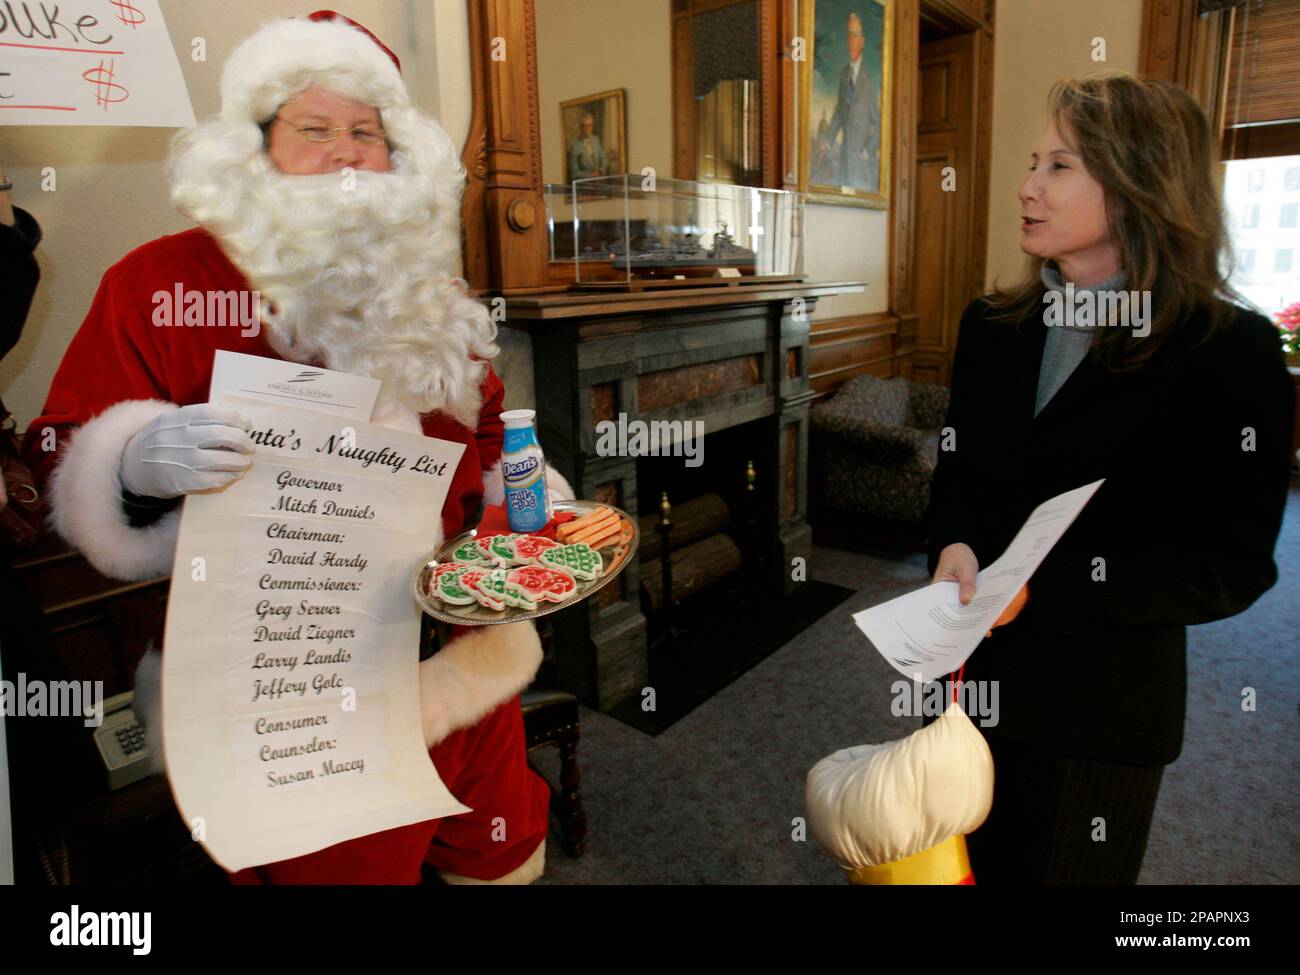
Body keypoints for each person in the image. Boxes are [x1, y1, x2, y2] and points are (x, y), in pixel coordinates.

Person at [21, 11, 565, 884]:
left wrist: (537, 510)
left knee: (501, 851)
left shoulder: (432, 291)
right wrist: (130, 464)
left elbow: (493, 436)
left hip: (465, 657)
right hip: (296, 705)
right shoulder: (157, 283)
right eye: (314, 129)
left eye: (367, 132)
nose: (347, 153)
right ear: (255, 145)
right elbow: (60, 450)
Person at [925, 74, 1293, 884]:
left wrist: (1044, 590)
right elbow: (956, 472)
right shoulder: (991, 325)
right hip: (963, 685)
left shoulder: (1231, 354)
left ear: (1137, 187)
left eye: (1060, 166)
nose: (1026, 185)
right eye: (1033, 161)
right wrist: (952, 540)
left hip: (1097, 715)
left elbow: (1231, 564)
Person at [823, 12, 880, 190]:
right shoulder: (844, 75)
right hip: (844, 157)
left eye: (855, 35)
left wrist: (867, 150)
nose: (851, 40)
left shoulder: (868, 82)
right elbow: (840, 112)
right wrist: (828, 139)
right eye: (849, 35)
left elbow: (878, 123)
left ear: (862, 41)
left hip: (860, 161)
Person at [567, 110, 609, 180]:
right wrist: (591, 175)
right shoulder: (574, 145)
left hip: (599, 182)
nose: (587, 128)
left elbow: (604, 159)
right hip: (584, 185)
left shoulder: (596, 139)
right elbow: (574, 173)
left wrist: (601, 170)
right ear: (581, 127)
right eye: (584, 126)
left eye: (589, 125)